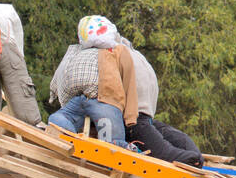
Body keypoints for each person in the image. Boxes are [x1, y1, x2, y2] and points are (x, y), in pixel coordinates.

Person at [46, 16, 137, 147]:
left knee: (56, 120)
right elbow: (130, 83)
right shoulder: (119, 50)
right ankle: (123, 148)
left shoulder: (76, 51)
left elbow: (60, 74)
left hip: (79, 99)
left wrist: (54, 95)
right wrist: (130, 118)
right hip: (105, 100)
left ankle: (72, 142)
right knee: (112, 144)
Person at [118, 34, 203, 166]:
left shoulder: (112, 54)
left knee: (165, 153)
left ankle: (192, 157)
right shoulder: (136, 54)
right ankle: (194, 156)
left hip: (132, 120)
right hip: (145, 116)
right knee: (183, 143)